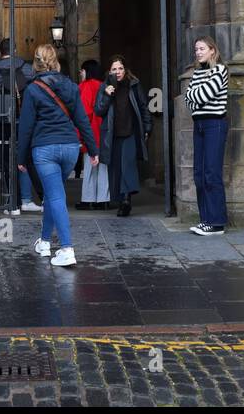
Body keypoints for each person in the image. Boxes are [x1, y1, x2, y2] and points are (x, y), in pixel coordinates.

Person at [17, 44, 99, 267]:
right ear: (55, 60)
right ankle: (44, 242)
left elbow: (26, 127)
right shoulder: (72, 86)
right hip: (70, 148)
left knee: (55, 197)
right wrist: (93, 150)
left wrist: (21, 158)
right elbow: (82, 120)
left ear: (36, 62)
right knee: (53, 196)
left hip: (45, 149)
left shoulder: (32, 89)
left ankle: (67, 249)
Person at [0, 38, 43, 216]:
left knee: (7, 161)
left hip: (5, 119)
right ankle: (27, 199)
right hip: (26, 121)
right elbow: (36, 93)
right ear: (16, 49)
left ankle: (13, 202)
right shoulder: (27, 68)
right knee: (25, 159)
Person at [94, 55, 152, 217]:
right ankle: (121, 202)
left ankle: (126, 199)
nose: (118, 72)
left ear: (125, 70)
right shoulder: (104, 87)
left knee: (127, 165)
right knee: (116, 169)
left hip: (130, 132)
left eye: (120, 68)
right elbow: (98, 111)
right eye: (114, 69)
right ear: (109, 71)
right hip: (112, 135)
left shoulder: (134, 85)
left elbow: (143, 106)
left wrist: (147, 127)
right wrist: (106, 95)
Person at [184, 36, 229, 235]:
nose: (198, 52)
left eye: (202, 48)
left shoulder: (220, 70)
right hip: (199, 124)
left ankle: (217, 222)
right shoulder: (196, 74)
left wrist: (196, 96)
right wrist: (196, 96)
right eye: (196, 49)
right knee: (199, 174)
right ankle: (205, 220)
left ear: (212, 50)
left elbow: (202, 96)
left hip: (215, 124)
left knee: (212, 172)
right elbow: (188, 100)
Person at [76, 59, 109, 210]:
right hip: (103, 131)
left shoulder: (85, 86)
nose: (80, 74)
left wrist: (79, 136)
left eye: (81, 71)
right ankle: (103, 199)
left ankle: (88, 199)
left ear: (86, 71)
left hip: (90, 132)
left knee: (89, 168)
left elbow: (84, 113)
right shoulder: (103, 86)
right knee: (103, 167)